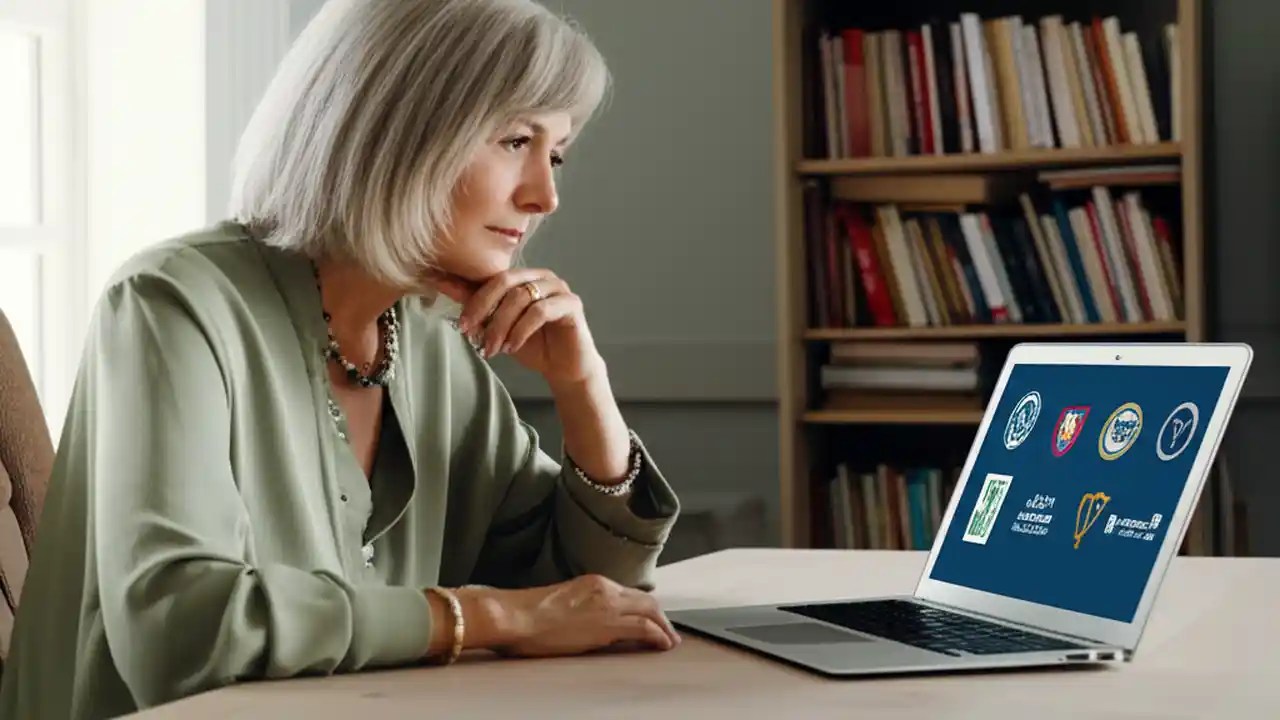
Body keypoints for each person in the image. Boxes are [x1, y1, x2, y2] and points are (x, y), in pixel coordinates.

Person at [0, 0, 682, 717]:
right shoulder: (171, 304)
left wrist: (583, 384)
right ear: (398, 127)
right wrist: (490, 618)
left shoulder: (428, 340)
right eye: (516, 140)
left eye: (557, 152)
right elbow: (180, 631)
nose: (544, 194)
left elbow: (597, 599)